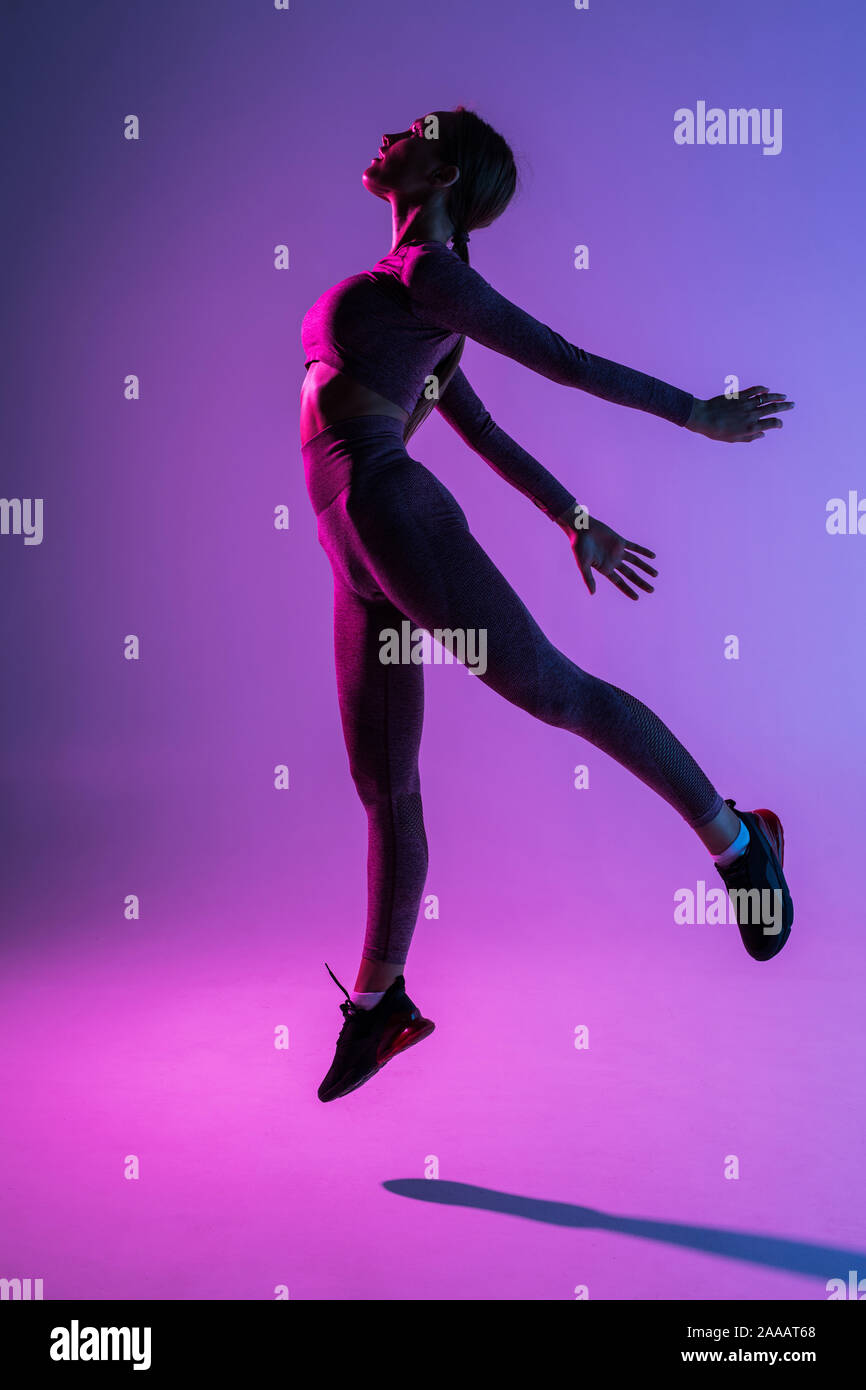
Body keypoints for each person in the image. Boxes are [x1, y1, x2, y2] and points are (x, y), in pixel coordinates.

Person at [299, 106, 795, 1103]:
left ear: (441, 172)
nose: (391, 128)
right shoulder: (410, 298)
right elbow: (475, 426)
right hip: (351, 545)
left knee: (556, 692)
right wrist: (572, 516)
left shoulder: (431, 277)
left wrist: (696, 414)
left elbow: (559, 357)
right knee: (382, 785)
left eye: (415, 128)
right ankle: (380, 1001)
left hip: (390, 513)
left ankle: (738, 842)